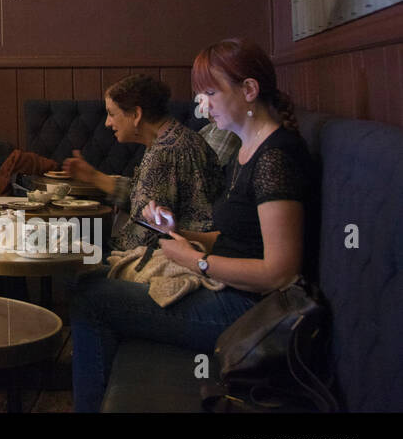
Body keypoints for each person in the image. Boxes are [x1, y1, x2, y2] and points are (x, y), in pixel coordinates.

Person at [68, 39, 313, 411]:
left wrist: (195, 261)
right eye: (200, 95)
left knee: (91, 299)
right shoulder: (247, 151)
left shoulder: (275, 158)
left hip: (246, 311)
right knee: (93, 285)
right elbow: (234, 238)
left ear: (249, 90)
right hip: (226, 290)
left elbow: (280, 273)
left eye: (210, 93)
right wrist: (177, 233)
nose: (202, 106)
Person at [63, 74, 223, 251]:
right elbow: (147, 199)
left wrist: (102, 255)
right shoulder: (176, 138)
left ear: (136, 114)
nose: (107, 123)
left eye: (111, 114)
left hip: (175, 257)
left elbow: (144, 234)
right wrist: (93, 177)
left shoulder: (165, 152)